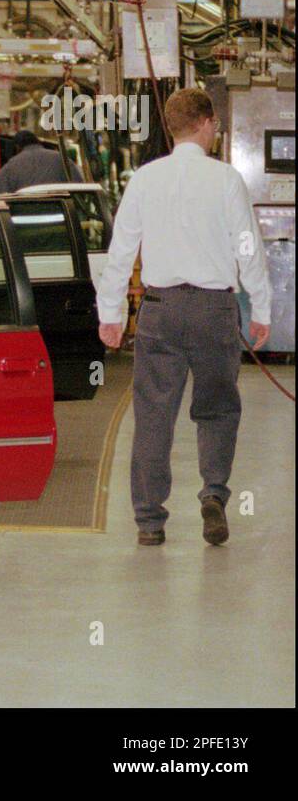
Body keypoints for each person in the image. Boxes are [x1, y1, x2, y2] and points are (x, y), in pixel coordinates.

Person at [96, 88, 271, 547]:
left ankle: (149, 521)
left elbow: (121, 251)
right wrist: (263, 307)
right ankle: (213, 494)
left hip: (159, 310)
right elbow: (247, 247)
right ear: (207, 123)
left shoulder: (145, 179)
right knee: (216, 409)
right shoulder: (227, 179)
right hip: (213, 310)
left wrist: (110, 313)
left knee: (154, 415)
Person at [0, 129, 82, 192]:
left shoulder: (10, 166)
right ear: (38, 141)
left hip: (25, 215)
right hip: (62, 213)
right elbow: (79, 186)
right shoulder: (61, 158)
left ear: (17, 147)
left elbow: (0, 192)